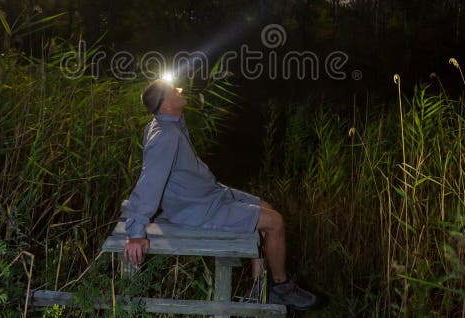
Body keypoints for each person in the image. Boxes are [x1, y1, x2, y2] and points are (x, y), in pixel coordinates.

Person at [122, 78, 318, 310]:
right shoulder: (166, 136)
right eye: (173, 90)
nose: (180, 89)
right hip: (199, 209)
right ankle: (281, 286)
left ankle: (258, 289)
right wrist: (136, 233)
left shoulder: (170, 124)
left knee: (268, 208)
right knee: (275, 223)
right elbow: (150, 181)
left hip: (210, 194)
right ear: (165, 106)